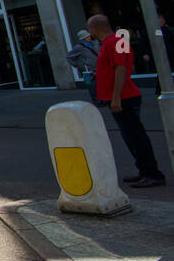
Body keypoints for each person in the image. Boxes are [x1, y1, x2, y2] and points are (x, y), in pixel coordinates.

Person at [89, 14, 165, 187]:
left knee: (136, 137)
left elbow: (122, 68)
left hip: (124, 97)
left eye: (90, 28)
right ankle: (145, 171)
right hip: (121, 97)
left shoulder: (116, 41)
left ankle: (152, 174)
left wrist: (116, 97)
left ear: (95, 29)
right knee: (131, 137)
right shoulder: (115, 42)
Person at [65, 28, 102, 104]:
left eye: (89, 36)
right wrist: (78, 65)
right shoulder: (78, 47)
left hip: (98, 68)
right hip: (86, 71)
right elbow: (69, 56)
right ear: (82, 39)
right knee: (91, 87)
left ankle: (102, 99)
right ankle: (96, 101)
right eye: (86, 37)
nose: (89, 38)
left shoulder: (95, 43)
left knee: (101, 85)